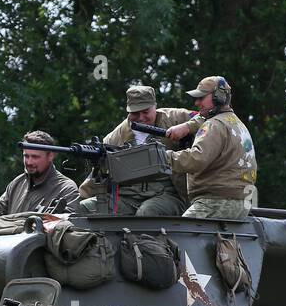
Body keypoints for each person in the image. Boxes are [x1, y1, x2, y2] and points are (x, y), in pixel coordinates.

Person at [76, 84, 203, 218]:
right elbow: (98, 173)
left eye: (145, 111)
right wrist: (78, 200)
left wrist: (187, 127)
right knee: (85, 208)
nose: (141, 118)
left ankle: (145, 240)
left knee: (147, 213)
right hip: (128, 196)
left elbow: (208, 119)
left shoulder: (176, 118)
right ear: (128, 112)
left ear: (155, 106)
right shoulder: (115, 137)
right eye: (135, 113)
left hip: (168, 194)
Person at [164, 76, 258, 220]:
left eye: (201, 98)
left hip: (214, 202)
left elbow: (197, 159)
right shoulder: (237, 124)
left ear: (218, 98)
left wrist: (163, 157)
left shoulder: (214, 125)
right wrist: (187, 126)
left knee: (179, 237)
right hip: (241, 203)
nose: (197, 102)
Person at [0, 131, 80, 218]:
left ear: (50, 156)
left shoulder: (66, 189)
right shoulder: (16, 184)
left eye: (35, 157)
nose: (29, 162)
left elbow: (67, 225)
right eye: (26, 156)